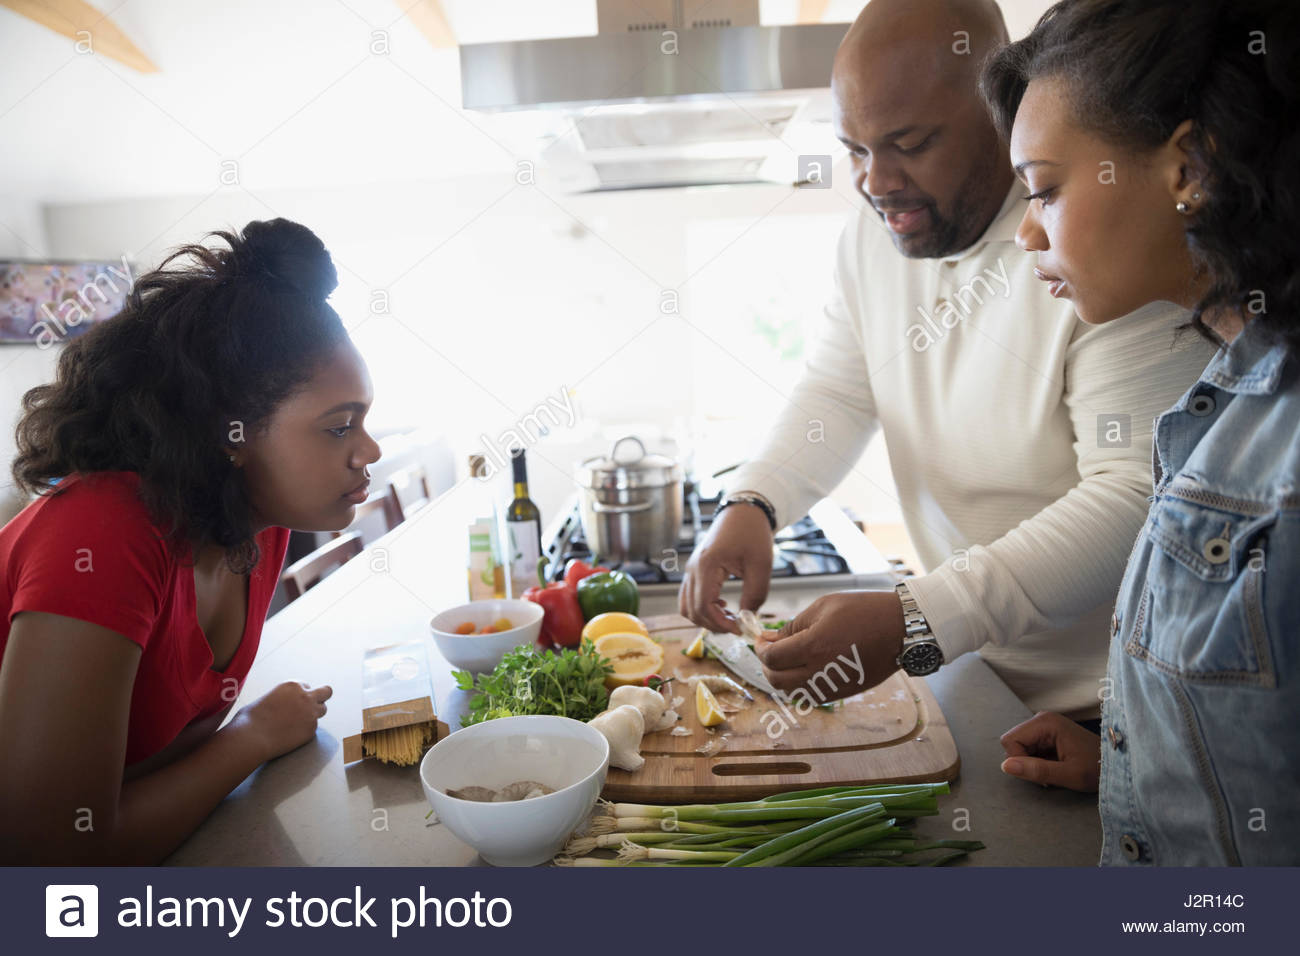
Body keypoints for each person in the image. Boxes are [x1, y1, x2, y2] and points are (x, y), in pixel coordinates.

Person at [680, 0, 1214, 721]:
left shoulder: (1105, 248)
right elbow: (842, 387)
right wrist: (756, 501)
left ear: (1000, 114)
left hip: (1112, 703)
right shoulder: (872, 239)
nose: (874, 180)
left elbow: (1135, 497)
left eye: (908, 142)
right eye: (855, 150)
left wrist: (918, 616)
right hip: (977, 671)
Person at [983, 0, 1299, 864]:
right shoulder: (1221, 396)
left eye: (1046, 189)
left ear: (1189, 166)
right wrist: (1144, 765)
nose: (1026, 231)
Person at [0, 219, 381, 864]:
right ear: (228, 435)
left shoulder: (255, 527)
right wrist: (252, 738)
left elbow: (149, 763)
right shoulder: (101, 529)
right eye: (339, 427)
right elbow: (52, 857)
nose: (369, 451)